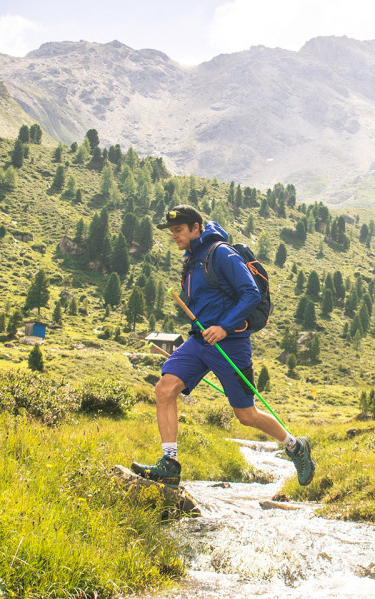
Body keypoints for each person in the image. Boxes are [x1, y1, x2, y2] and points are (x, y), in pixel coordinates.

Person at [131, 205, 315, 487]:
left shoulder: (222, 253)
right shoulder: (191, 260)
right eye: (171, 232)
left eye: (178, 230)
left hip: (231, 344)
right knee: (164, 389)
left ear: (196, 228)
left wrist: (224, 326)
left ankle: (294, 446)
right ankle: (169, 463)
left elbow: (250, 293)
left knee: (246, 415)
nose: (174, 236)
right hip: (199, 341)